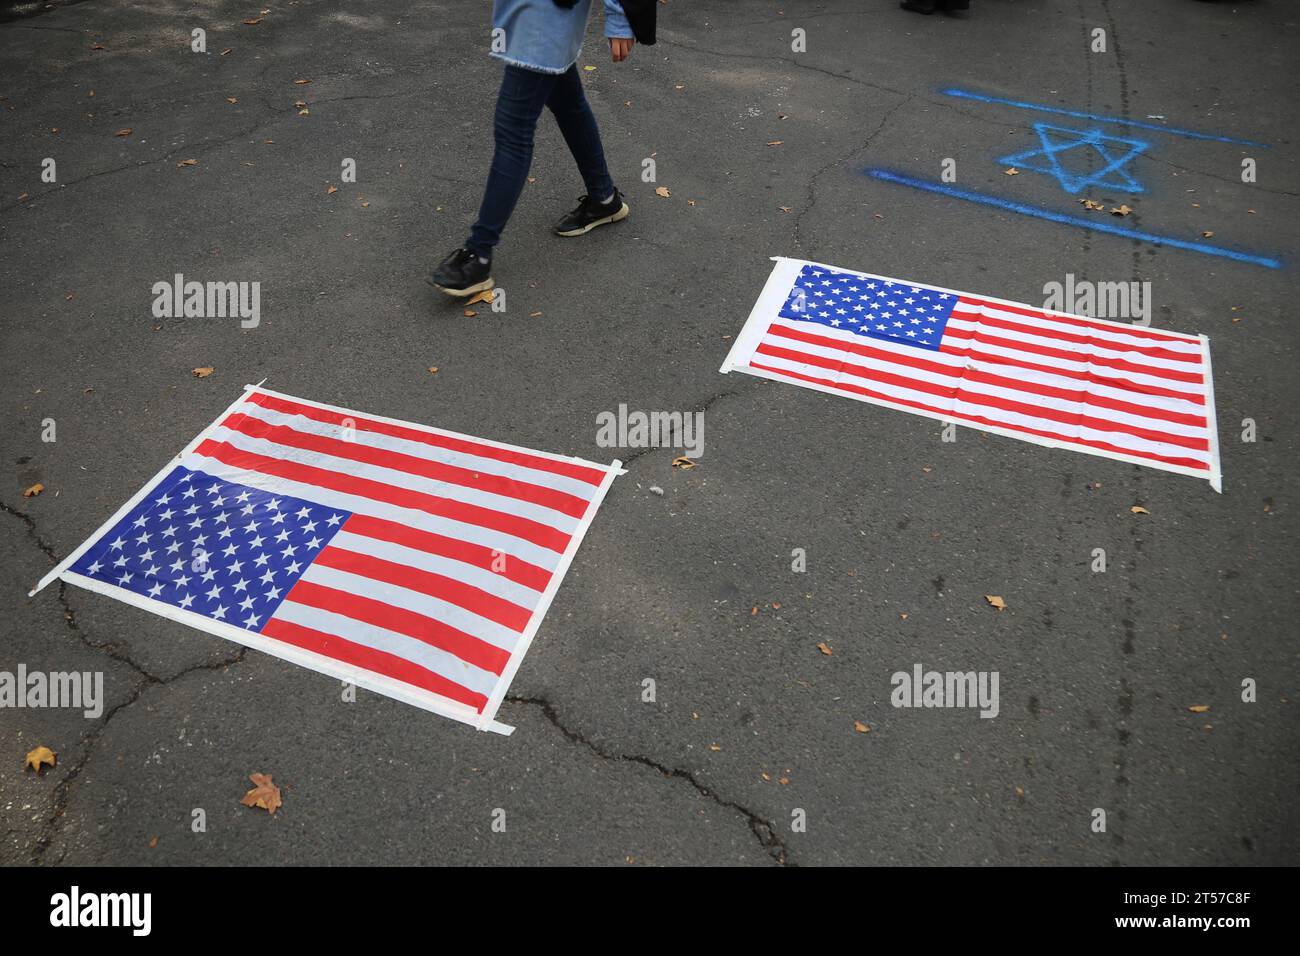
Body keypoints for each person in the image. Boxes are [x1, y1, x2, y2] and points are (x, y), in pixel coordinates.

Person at [429, 0, 646, 298]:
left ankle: (478, 256)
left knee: (513, 131)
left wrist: (621, 16)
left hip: (544, 17)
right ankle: (604, 198)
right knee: (568, 103)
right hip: (530, 13)